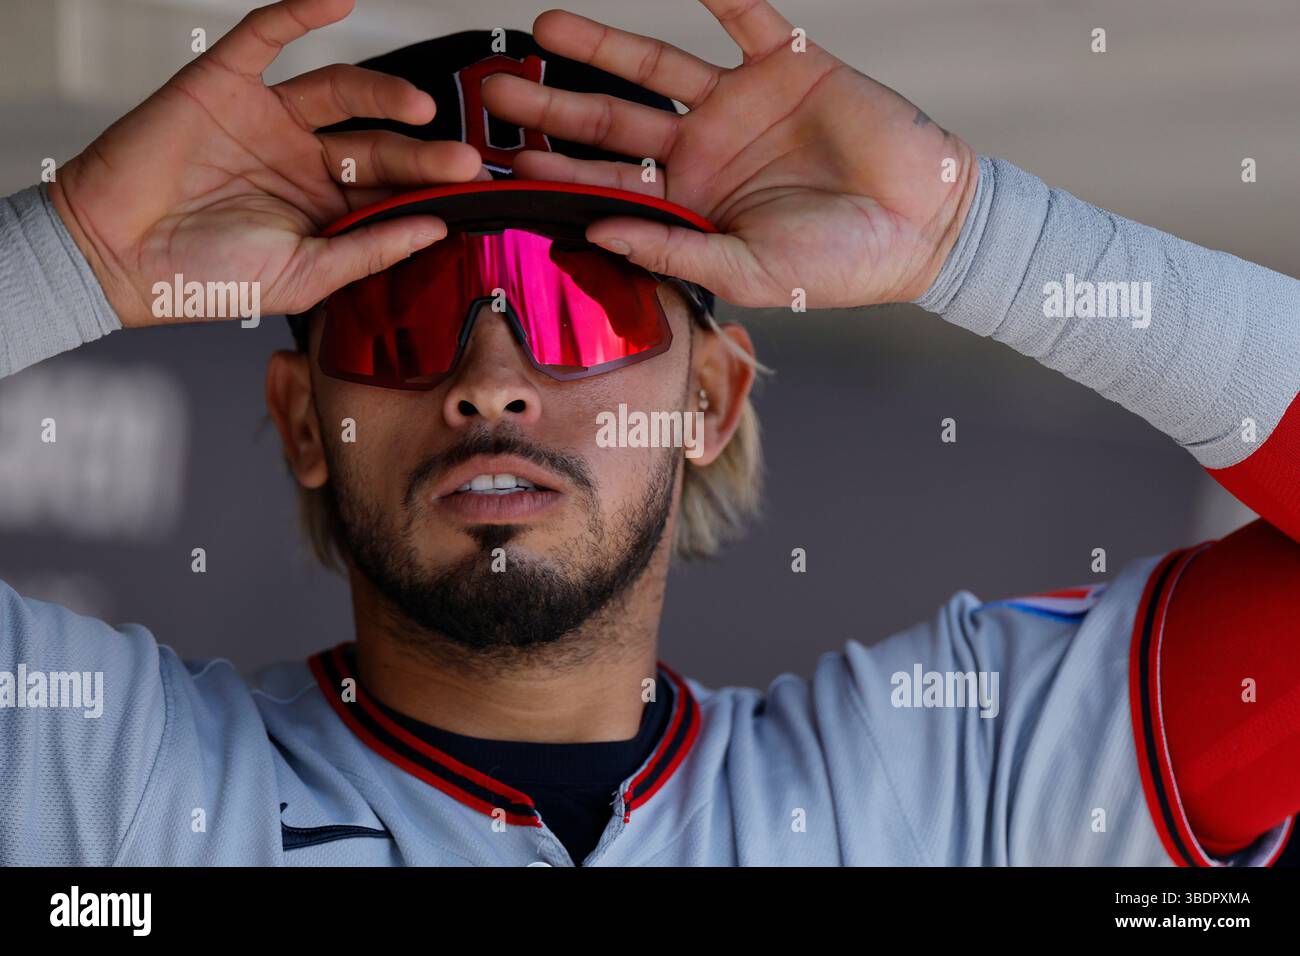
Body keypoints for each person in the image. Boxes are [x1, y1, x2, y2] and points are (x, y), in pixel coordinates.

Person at [1, 0, 1297, 867]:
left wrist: (978, 237)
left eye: (583, 308)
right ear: (303, 422)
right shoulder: (95, 778)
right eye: (403, 312)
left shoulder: (957, 786)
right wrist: (78, 255)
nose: (492, 382)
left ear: (712, 401)